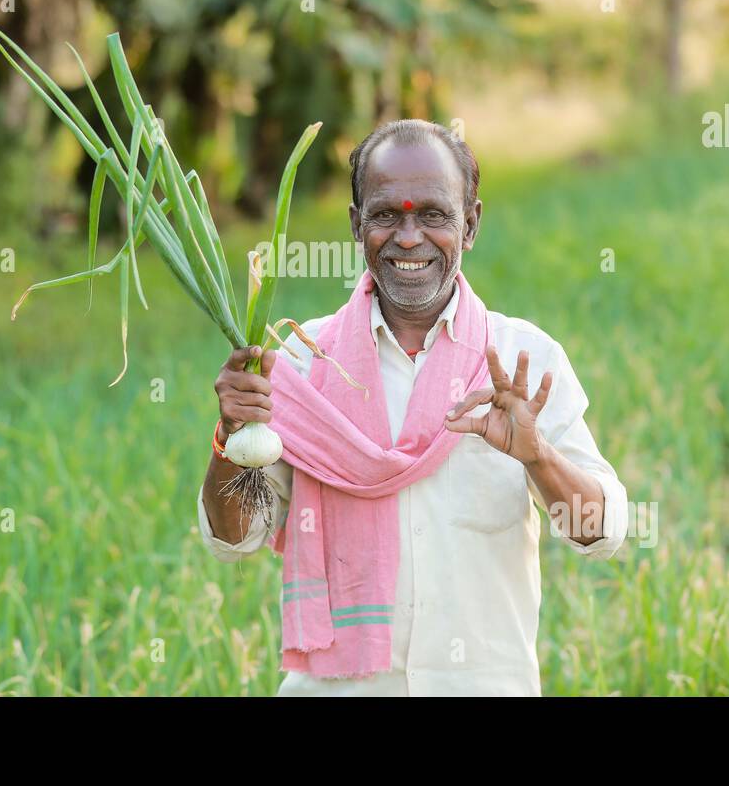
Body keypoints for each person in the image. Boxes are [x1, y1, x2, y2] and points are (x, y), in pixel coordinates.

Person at [199, 119, 628, 696]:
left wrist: (538, 456)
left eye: (432, 214)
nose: (408, 237)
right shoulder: (301, 366)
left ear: (470, 223)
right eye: (386, 215)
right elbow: (235, 539)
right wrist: (230, 438)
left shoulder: (523, 359)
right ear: (357, 225)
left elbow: (600, 532)